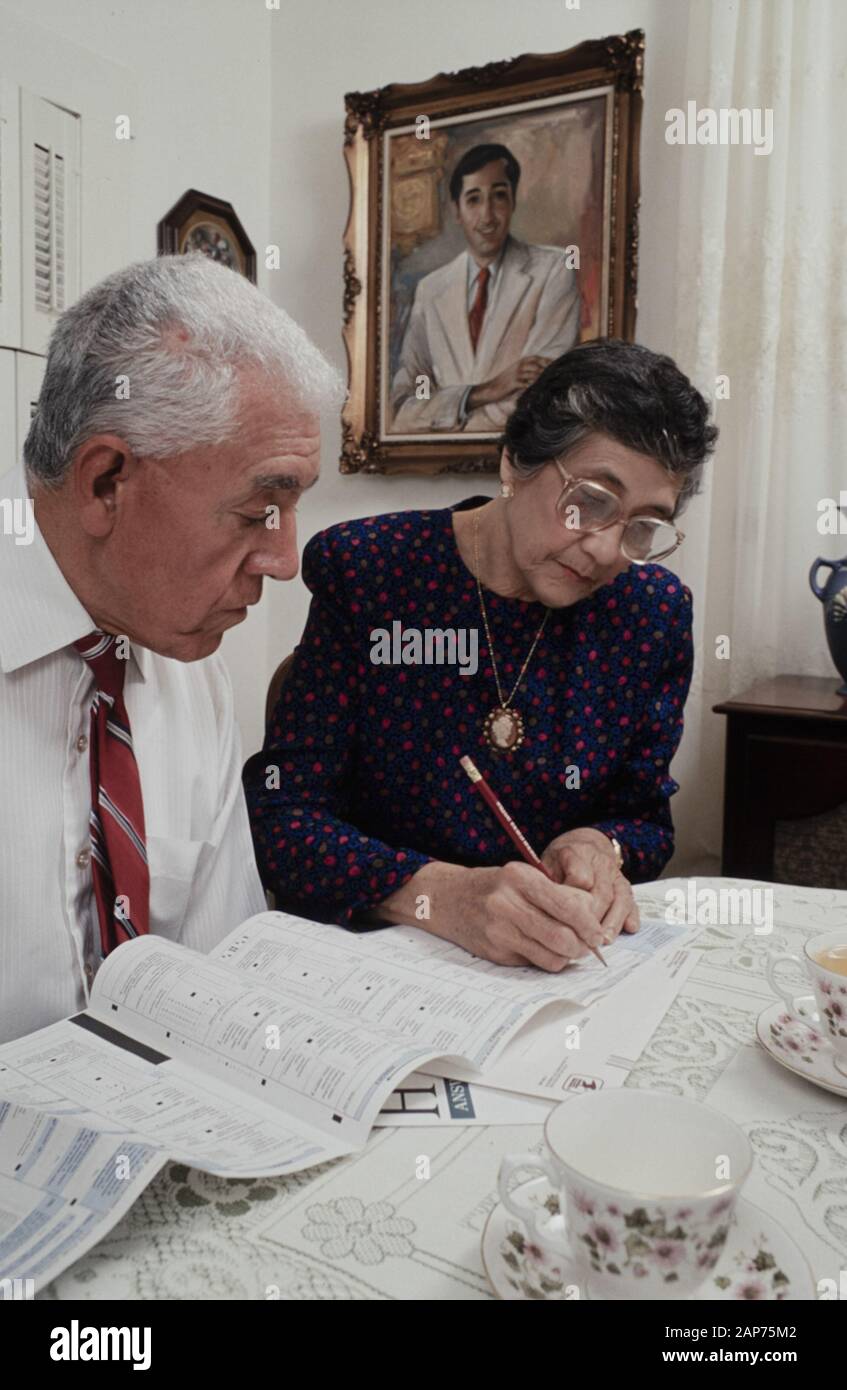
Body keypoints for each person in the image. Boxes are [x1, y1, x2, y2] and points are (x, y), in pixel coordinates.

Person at [245, 339, 718, 972]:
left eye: (643, 525)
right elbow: (283, 815)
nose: (608, 550)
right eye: (592, 501)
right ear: (515, 463)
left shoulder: (648, 615)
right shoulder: (372, 573)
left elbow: (644, 820)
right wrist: (435, 896)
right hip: (369, 965)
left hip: (551, 972)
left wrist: (599, 844)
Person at [0, 253, 343, 1042]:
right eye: (260, 507)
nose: (285, 560)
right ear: (106, 482)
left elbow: (216, 967)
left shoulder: (186, 661)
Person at [390, 143, 581, 434]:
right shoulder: (431, 289)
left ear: (513, 200)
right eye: (474, 199)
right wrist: (486, 391)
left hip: (518, 459)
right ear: (457, 210)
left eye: (499, 197)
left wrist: (447, 415)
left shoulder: (554, 271)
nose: (488, 216)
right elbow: (402, 408)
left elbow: (542, 398)